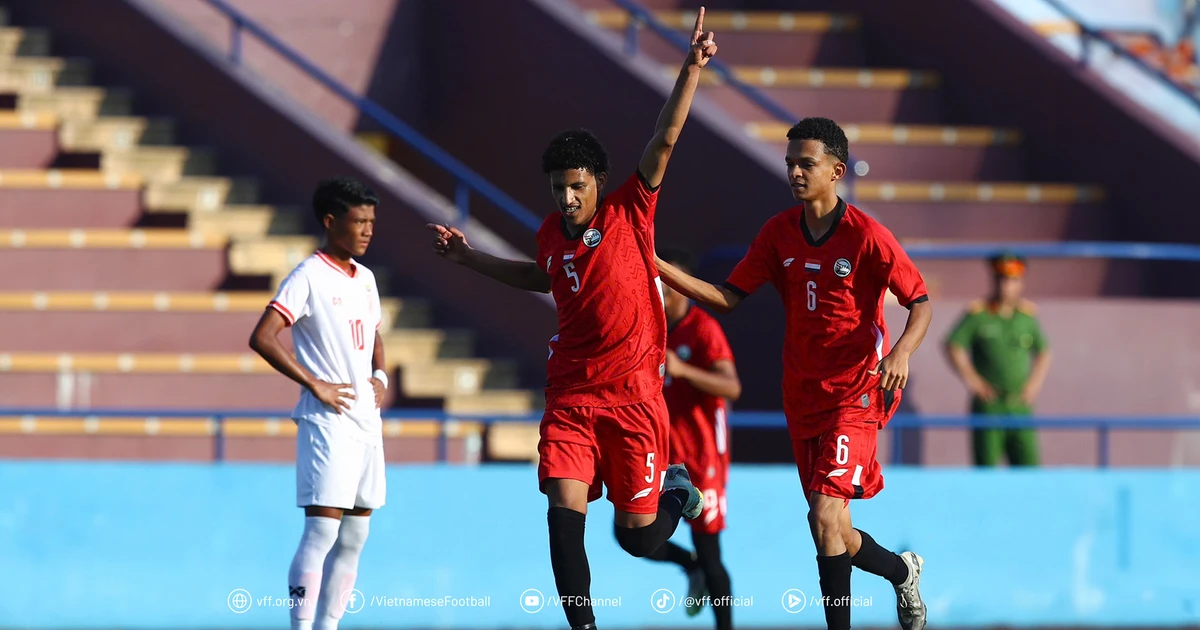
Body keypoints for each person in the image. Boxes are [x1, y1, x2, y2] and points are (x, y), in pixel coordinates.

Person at [425, 9, 719, 630]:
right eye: (559, 186)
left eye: (578, 185)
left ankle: (674, 490)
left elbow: (663, 140)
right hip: (572, 396)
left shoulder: (630, 211)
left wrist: (690, 69)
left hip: (635, 398)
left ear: (600, 182)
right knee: (564, 513)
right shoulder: (549, 236)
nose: (568, 197)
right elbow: (540, 277)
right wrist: (467, 257)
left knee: (637, 538)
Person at [654, 117, 931, 630]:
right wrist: (659, 267)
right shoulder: (778, 234)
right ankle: (901, 571)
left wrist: (901, 354)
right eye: (790, 164)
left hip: (857, 392)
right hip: (802, 398)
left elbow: (920, 302)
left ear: (836, 171)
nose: (796, 173)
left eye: (806, 163)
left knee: (826, 518)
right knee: (832, 530)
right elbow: (728, 298)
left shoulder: (867, 235)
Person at [248, 178, 388, 630]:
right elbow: (263, 336)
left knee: (357, 534)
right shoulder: (308, 275)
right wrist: (316, 384)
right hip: (327, 421)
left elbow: (374, 334)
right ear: (331, 222)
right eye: (359, 221)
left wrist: (380, 376)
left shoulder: (365, 278)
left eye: (371, 221)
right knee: (323, 530)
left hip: (367, 420)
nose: (368, 230)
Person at [643, 247, 740, 630]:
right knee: (631, 532)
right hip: (661, 456)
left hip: (703, 459)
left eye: (671, 284)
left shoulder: (703, 330)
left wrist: (683, 370)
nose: (664, 292)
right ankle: (689, 567)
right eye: (659, 283)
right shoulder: (650, 328)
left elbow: (732, 387)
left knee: (711, 552)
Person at [945, 252, 1052, 467]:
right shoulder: (979, 314)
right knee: (986, 468)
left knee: (1029, 468)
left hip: (1020, 404)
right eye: (1002, 280)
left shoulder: (1026, 316)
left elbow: (1044, 351)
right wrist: (974, 381)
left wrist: (1034, 384)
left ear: (1021, 283)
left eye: (1013, 281)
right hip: (990, 405)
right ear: (994, 281)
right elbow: (954, 345)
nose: (1007, 286)